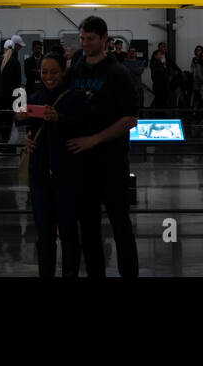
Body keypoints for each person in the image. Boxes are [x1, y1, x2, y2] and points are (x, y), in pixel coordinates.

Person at [65, 15, 139, 277]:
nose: (84, 43)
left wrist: (95, 139)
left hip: (112, 163)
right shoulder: (75, 70)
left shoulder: (119, 73)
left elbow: (130, 119)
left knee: (120, 225)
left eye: (90, 39)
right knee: (88, 228)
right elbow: (60, 107)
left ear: (104, 38)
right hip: (83, 166)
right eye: (82, 38)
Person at [19, 52, 84, 276]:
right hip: (39, 175)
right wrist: (27, 137)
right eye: (45, 72)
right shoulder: (35, 98)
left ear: (63, 72)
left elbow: (82, 127)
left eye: (54, 72)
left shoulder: (74, 98)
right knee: (44, 234)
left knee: (68, 231)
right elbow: (28, 127)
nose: (49, 76)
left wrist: (60, 119)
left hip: (66, 175)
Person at [0, 36, 23, 151]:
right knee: (8, 121)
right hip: (9, 98)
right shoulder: (15, 62)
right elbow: (17, 83)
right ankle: (4, 144)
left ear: (4, 48)